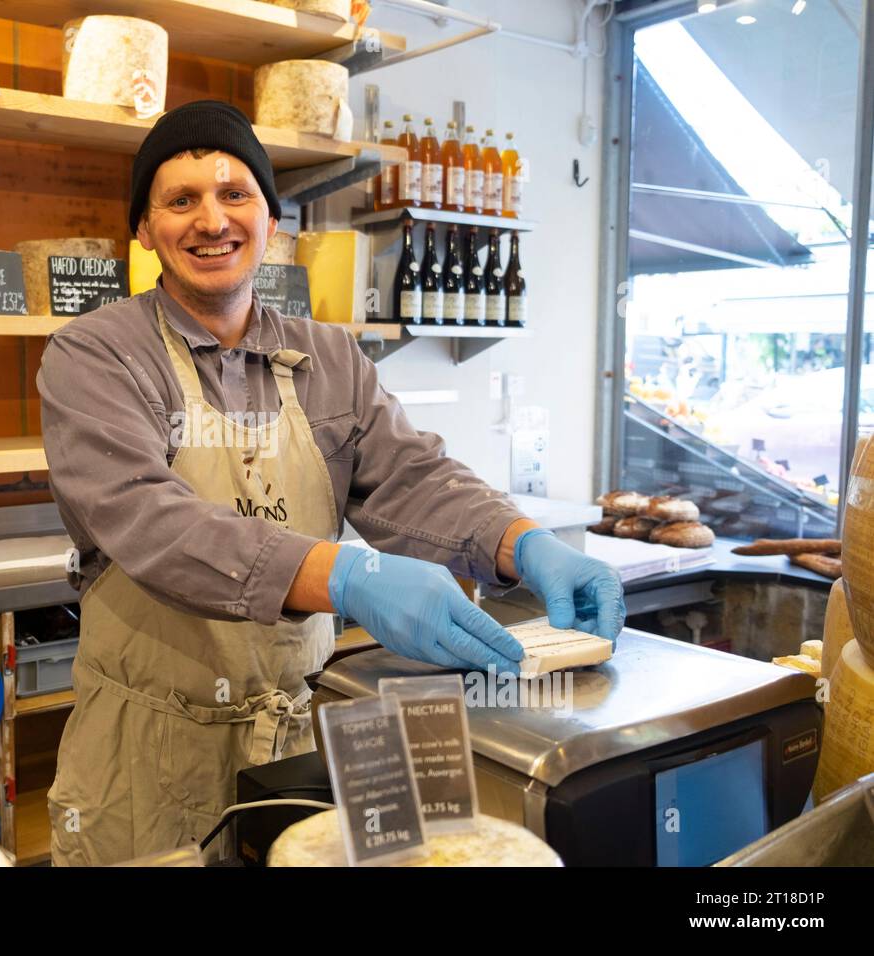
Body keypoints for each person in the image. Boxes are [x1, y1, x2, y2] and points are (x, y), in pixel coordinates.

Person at [37, 100, 624, 866]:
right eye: (180, 201)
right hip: (146, 748)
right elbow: (147, 518)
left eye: (234, 195)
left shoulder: (330, 358)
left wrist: (521, 542)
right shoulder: (95, 355)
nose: (211, 220)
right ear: (145, 232)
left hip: (305, 735)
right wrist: (343, 574)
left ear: (271, 220)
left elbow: (413, 477)